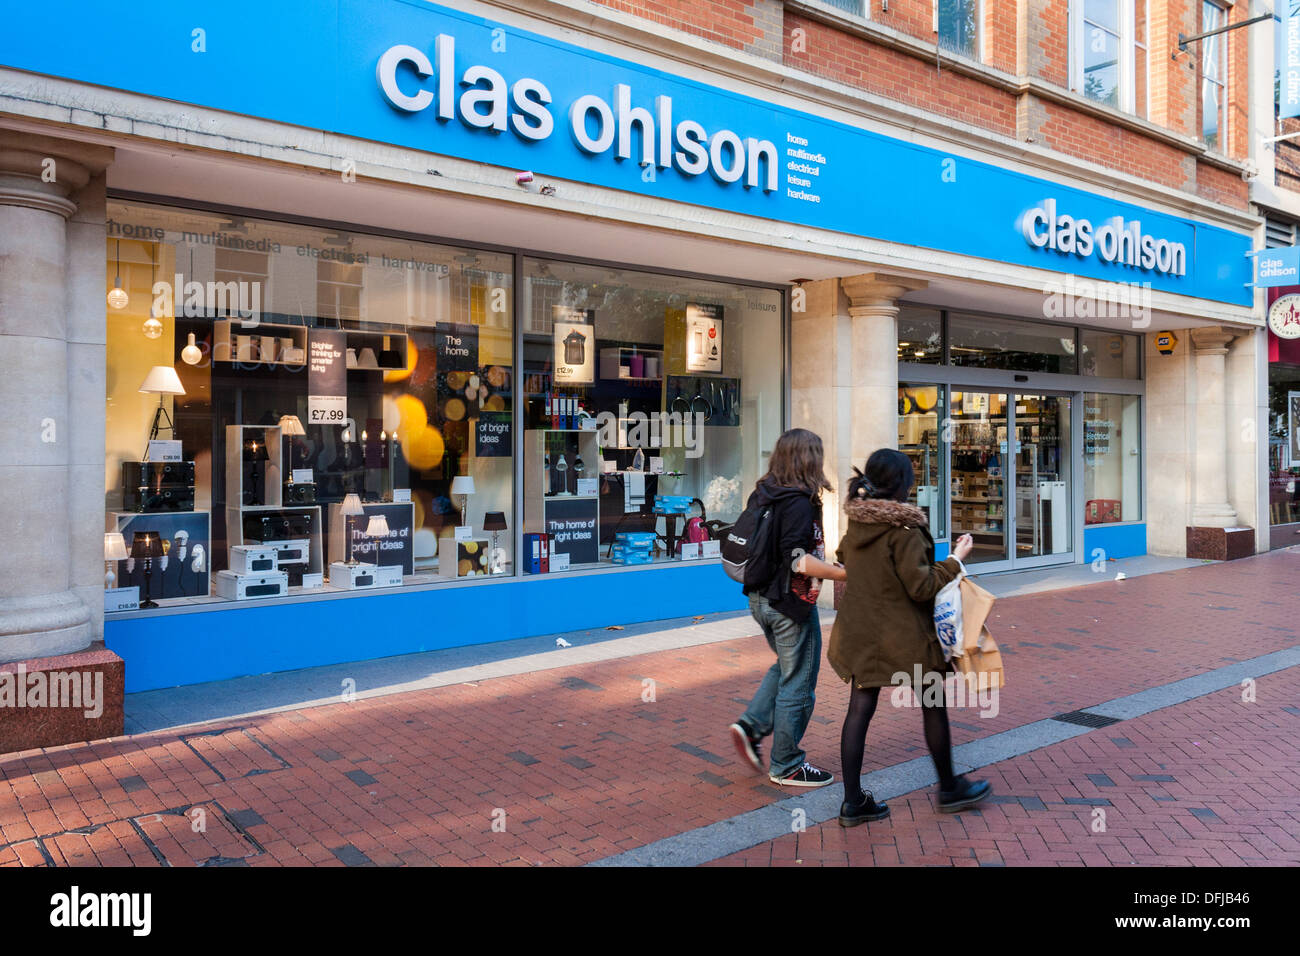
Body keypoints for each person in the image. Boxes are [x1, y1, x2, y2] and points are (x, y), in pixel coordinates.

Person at [822, 448, 993, 825]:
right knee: (933, 705)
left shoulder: (858, 523)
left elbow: (846, 560)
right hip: (907, 638)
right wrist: (956, 560)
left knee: (858, 711)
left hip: (860, 634)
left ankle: (853, 802)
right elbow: (921, 587)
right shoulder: (904, 529)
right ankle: (949, 788)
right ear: (902, 483)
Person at [728, 428, 844, 788]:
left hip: (759, 599)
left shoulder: (763, 492)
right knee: (800, 680)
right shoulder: (798, 501)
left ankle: (750, 726)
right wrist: (843, 574)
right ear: (811, 459)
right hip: (789, 604)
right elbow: (798, 560)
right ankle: (788, 764)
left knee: (786, 666)